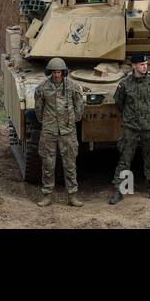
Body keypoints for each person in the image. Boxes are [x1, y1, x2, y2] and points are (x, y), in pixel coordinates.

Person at [108, 52, 150, 204]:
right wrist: (131, 116)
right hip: (130, 127)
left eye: (146, 64)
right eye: (141, 64)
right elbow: (119, 103)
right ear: (133, 65)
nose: (144, 67)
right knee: (125, 160)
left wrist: (149, 115)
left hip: (149, 127)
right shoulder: (125, 84)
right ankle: (120, 191)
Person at [35, 57, 85, 208]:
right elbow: (38, 109)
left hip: (67, 130)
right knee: (48, 164)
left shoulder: (72, 87)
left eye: (59, 72)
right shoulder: (42, 88)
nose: (57, 75)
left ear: (63, 72)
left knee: (70, 164)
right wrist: (46, 122)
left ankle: (72, 195)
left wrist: (74, 119)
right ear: (49, 72)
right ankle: (47, 195)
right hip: (49, 130)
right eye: (54, 72)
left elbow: (79, 104)